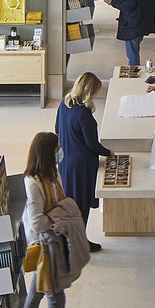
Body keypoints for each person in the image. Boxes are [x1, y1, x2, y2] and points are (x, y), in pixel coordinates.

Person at [20, 131, 92, 308]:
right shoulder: (33, 182)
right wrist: (62, 213)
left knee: (36, 293)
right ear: (47, 153)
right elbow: (37, 222)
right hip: (45, 249)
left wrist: (59, 211)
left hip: (54, 242)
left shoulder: (52, 174)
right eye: (56, 148)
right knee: (55, 301)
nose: (60, 150)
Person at [56, 71, 111, 252]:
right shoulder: (84, 113)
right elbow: (92, 144)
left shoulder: (64, 106)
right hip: (82, 166)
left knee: (70, 203)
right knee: (82, 205)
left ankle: (71, 240)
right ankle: (80, 243)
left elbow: (57, 129)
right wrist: (107, 152)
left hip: (65, 162)